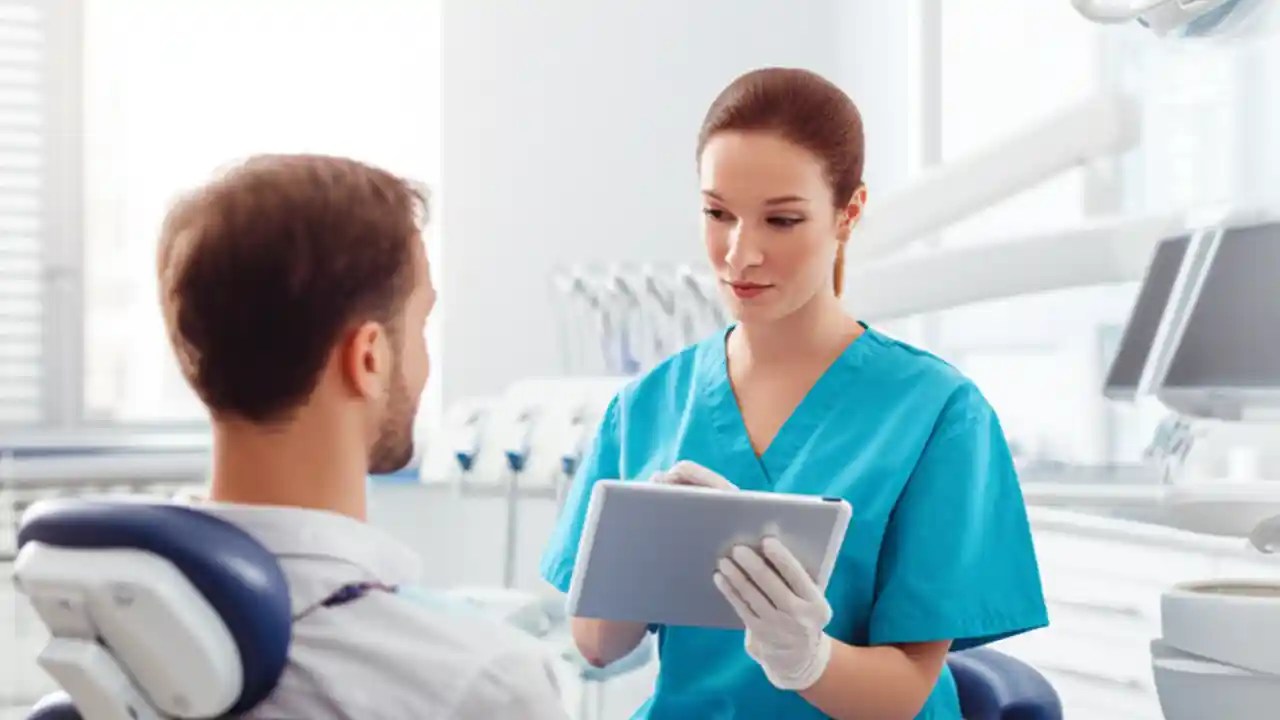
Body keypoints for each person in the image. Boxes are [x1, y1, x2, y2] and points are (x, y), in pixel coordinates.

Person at [539, 68, 1049, 719]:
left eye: (781, 220)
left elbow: (904, 690)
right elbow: (598, 645)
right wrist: (642, 554)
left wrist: (807, 659)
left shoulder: (936, 414)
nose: (739, 254)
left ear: (849, 212)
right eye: (717, 214)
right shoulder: (646, 406)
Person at [156, 154, 567, 720]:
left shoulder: (109, 622)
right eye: (421, 325)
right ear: (369, 357)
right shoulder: (481, 684)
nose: (425, 361)